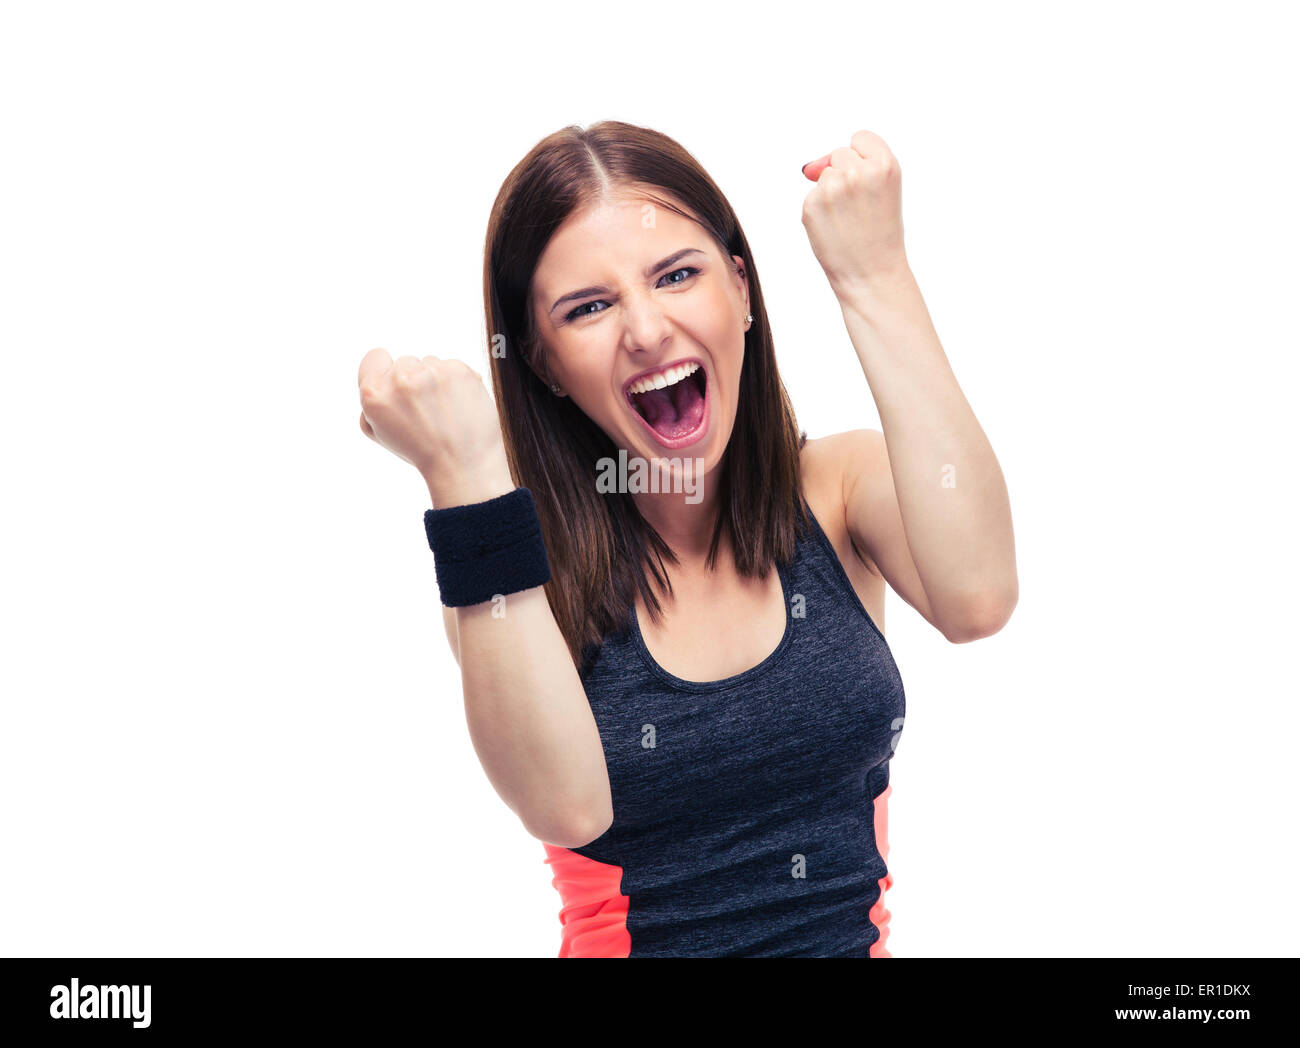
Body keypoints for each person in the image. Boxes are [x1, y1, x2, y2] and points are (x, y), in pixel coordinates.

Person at [356, 121, 1018, 957]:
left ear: (741, 289)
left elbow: (980, 596)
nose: (645, 329)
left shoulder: (841, 491)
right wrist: (467, 486)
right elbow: (567, 810)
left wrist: (875, 275)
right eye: (588, 307)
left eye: (677, 274)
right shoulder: (517, 580)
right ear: (544, 362)